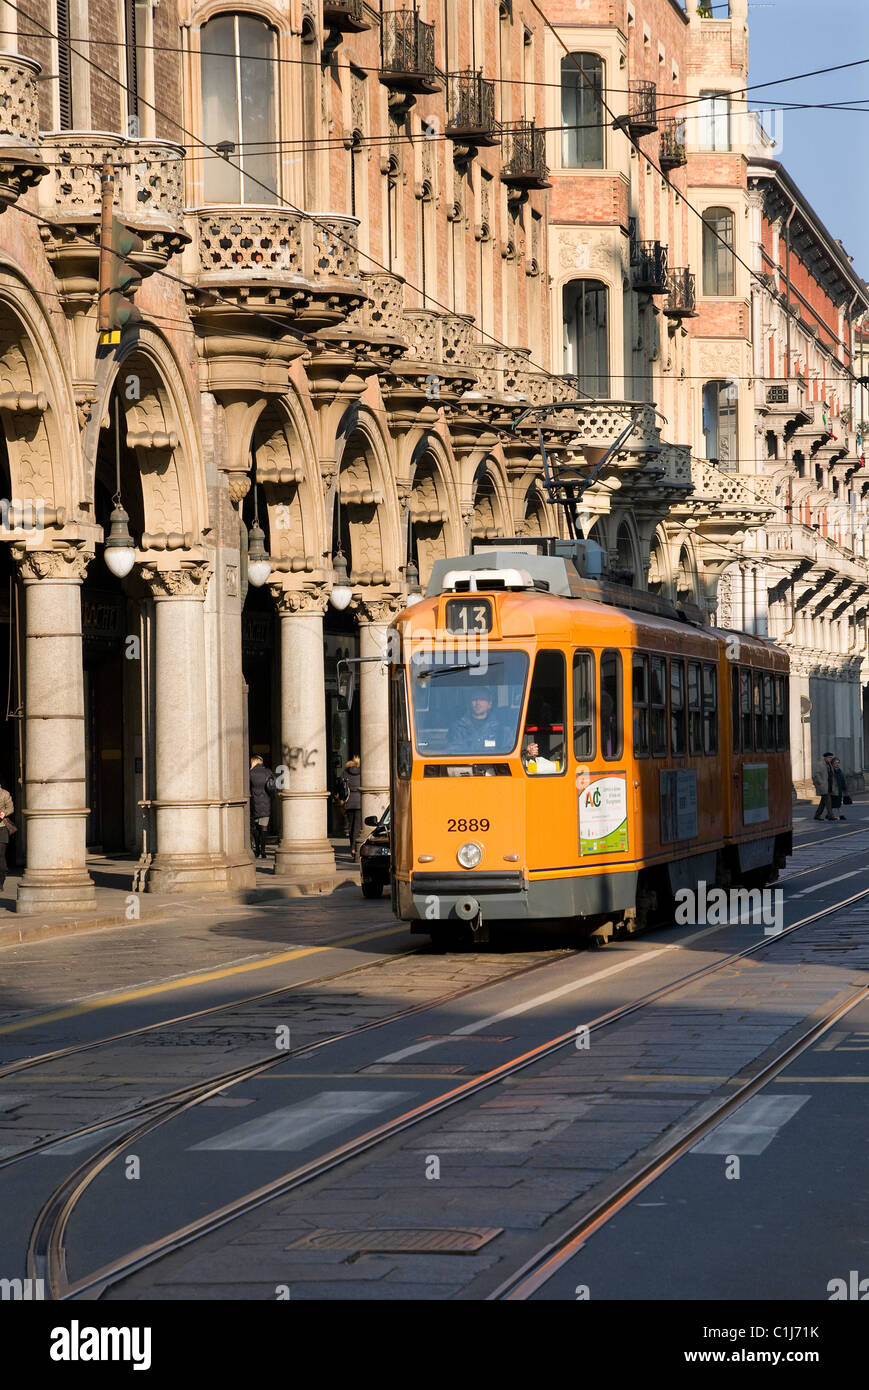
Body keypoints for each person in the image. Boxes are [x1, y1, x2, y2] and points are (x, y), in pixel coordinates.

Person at [454, 688, 510, 753]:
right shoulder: (459, 727)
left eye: (482, 699)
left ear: (490, 704)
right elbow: (454, 751)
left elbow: (507, 752)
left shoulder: (501, 730)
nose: (478, 702)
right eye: (474, 699)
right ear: (469, 703)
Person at [249, 755, 276, 859]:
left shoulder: (250, 773)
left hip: (254, 804)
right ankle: (264, 851)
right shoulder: (268, 772)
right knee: (264, 828)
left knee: (255, 828)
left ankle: (257, 850)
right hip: (266, 803)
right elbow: (273, 787)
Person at [339, 755, 362, 857]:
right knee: (357, 827)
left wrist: (341, 799)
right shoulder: (362, 772)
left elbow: (341, 787)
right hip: (359, 802)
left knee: (350, 826)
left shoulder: (345, 773)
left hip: (348, 801)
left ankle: (352, 847)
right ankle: (354, 848)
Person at [812, 751, 836, 822]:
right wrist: (820, 782)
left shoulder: (829, 765)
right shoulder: (820, 764)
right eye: (829, 757)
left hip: (829, 785)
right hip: (823, 785)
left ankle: (817, 815)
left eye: (832, 758)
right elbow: (816, 774)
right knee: (828, 801)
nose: (831, 759)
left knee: (823, 802)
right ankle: (830, 815)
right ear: (825, 757)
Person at [0, 781, 14, 891]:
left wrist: (4, 813)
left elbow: (10, 808)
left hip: (1, 827)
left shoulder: (5, 794)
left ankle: (1, 879)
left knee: (1, 854)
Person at [831, 757, 849, 821]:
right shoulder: (831, 771)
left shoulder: (840, 771)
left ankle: (840, 815)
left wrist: (844, 789)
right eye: (835, 763)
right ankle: (832, 814)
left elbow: (842, 780)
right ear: (832, 764)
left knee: (838, 803)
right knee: (832, 803)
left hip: (839, 789)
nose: (837, 764)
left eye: (838, 763)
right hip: (833, 790)